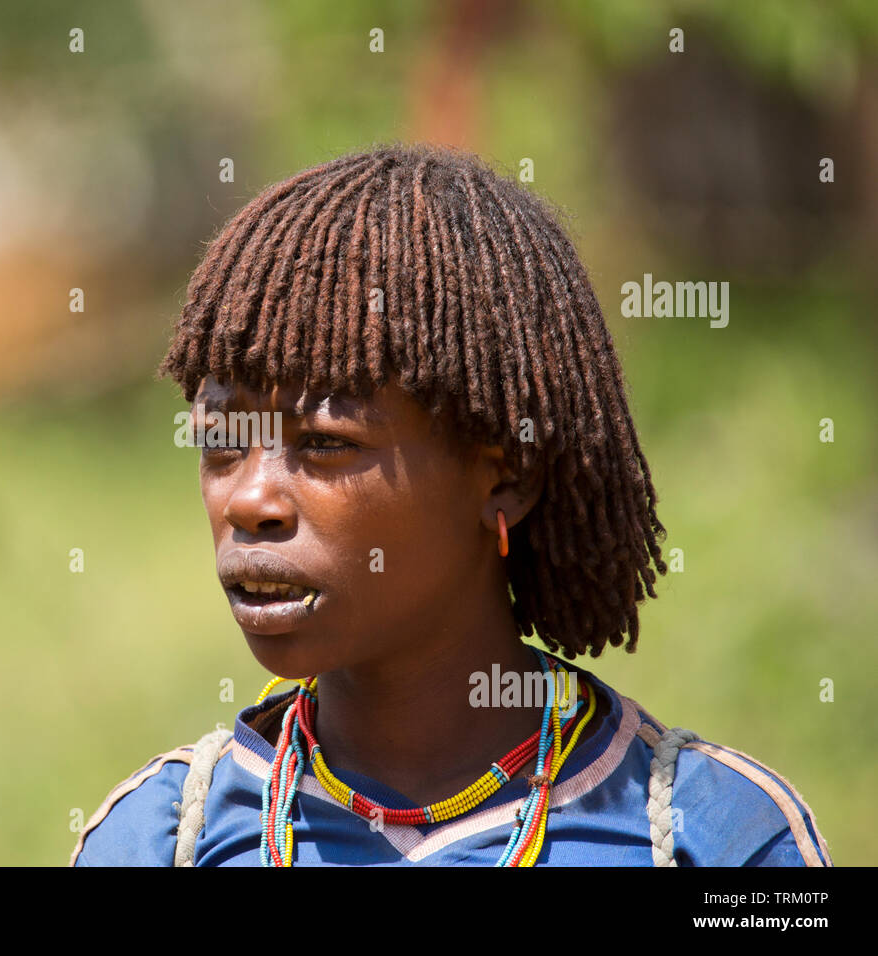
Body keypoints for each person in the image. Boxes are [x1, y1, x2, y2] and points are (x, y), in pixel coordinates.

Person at [70, 143, 831, 866]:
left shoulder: (710, 837)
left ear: (506, 478)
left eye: (327, 444)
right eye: (223, 442)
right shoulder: (163, 837)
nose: (251, 498)